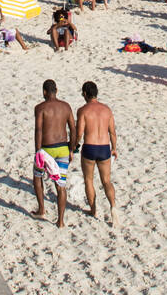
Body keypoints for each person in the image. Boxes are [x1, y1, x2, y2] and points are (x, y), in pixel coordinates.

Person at [31, 80, 77, 228]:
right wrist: (72, 148)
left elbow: (38, 130)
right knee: (60, 185)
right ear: (56, 90)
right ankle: (61, 221)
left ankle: (41, 209)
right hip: (63, 148)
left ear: (45, 92)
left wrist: (38, 151)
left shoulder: (40, 108)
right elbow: (73, 129)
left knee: (38, 177)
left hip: (46, 149)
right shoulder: (66, 106)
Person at [76, 80, 118, 228]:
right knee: (106, 180)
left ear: (85, 94)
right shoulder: (107, 110)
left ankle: (93, 210)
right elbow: (112, 131)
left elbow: (79, 133)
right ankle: (113, 206)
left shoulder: (83, 110)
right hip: (104, 147)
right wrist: (114, 148)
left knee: (88, 180)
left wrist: (74, 146)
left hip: (90, 147)